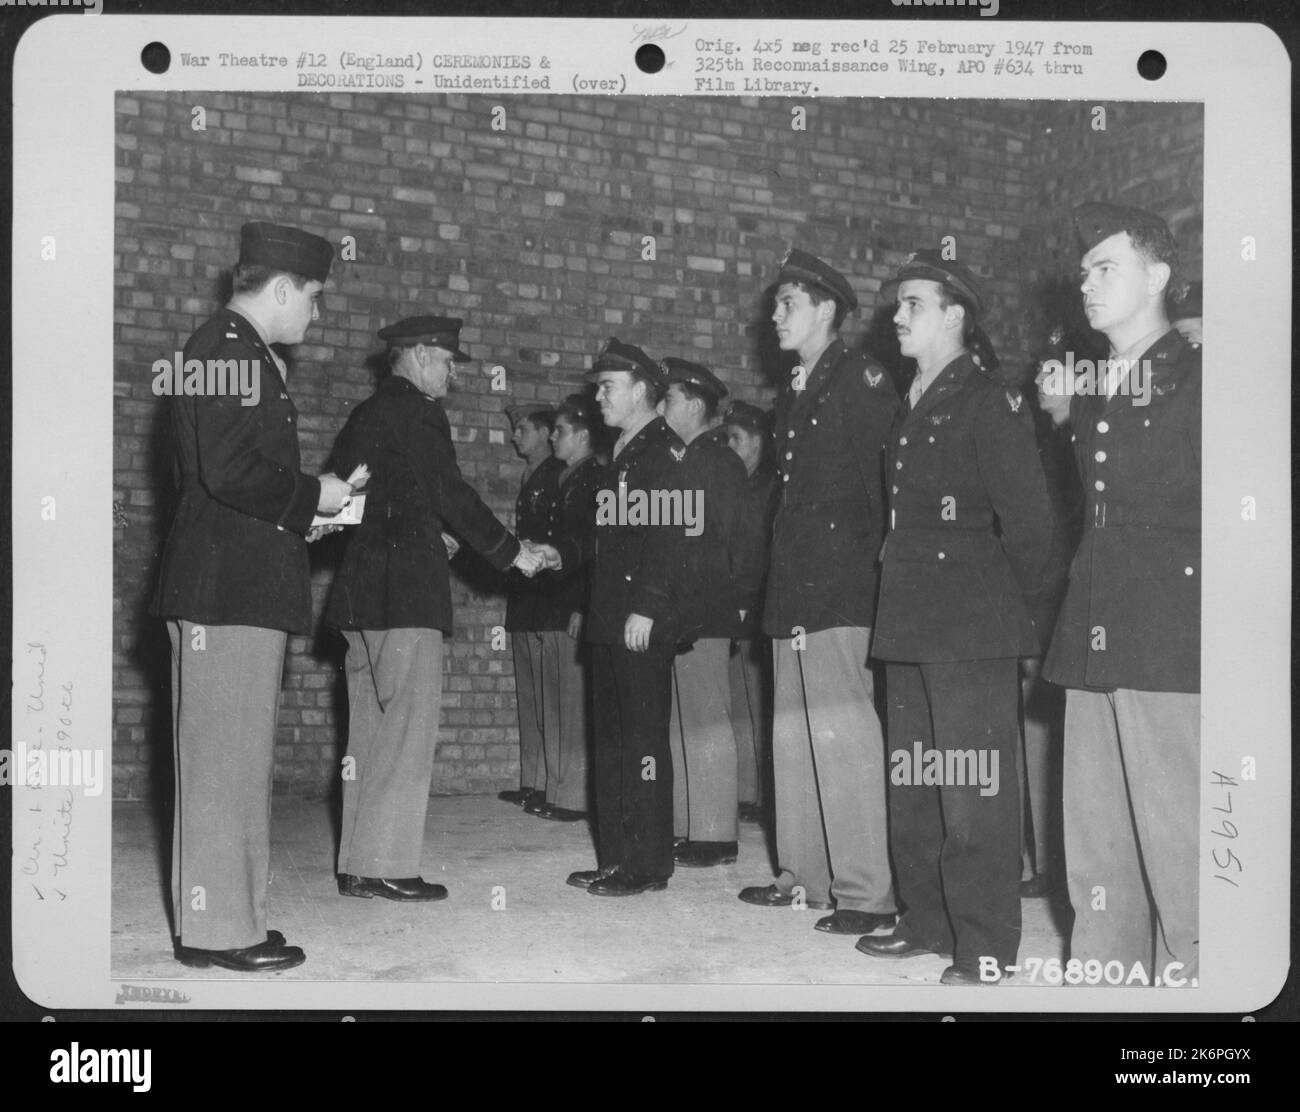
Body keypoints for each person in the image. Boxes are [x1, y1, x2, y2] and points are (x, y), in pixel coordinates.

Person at [152, 221, 354, 971]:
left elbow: (219, 482)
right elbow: (230, 472)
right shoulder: (228, 351)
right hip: (226, 594)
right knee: (224, 766)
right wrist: (316, 493)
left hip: (230, 578)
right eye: (314, 297)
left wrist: (299, 521)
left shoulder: (229, 352)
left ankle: (217, 922)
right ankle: (220, 930)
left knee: (222, 764)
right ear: (280, 289)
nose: (316, 313)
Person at [858, 250, 1059, 985]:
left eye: (912, 303)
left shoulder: (989, 401)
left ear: (955, 316)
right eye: (898, 304)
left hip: (970, 626)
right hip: (909, 617)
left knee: (974, 790)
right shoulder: (910, 399)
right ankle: (926, 919)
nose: (897, 316)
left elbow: (1032, 527)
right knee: (913, 780)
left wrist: (1029, 627)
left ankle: (984, 945)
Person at [326, 316, 546, 902]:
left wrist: (426, 532)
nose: (451, 373)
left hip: (358, 595)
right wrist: (509, 553)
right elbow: (450, 490)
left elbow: (355, 497)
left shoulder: (366, 412)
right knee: (406, 729)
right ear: (421, 355)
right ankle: (389, 864)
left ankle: (356, 863)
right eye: (448, 361)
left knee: (367, 733)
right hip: (405, 595)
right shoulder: (419, 412)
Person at [1043, 202, 1201, 982]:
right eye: (1083, 273)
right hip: (1093, 621)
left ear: (1159, 275)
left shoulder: (1200, 376)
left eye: (1107, 268)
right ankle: (1104, 984)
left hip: (1169, 629)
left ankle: (1199, 998)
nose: (1088, 284)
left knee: (1179, 838)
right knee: (1096, 837)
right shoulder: (1098, 388)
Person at [738, 249, 899, 937]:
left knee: (843, 734)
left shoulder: (859, 379)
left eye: (787, 305)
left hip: (839, 584)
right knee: (793, 734)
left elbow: (889, 483)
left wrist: (879, 576)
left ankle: (865, 891)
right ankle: (800, 876)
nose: (774, 316)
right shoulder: (801, 387)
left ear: (827, 310)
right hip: (796, 585)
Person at [565, 339, 695, 897]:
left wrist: (647, 607)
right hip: (610, 618)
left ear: (641, 391)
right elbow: (611, 541)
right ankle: (616, 859)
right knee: (612, 739)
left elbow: (670, 540)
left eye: (608, 387)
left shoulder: (663, 453)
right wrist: (560, 558)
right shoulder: (623, 450)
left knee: (641, 743)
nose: (598, 397)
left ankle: (646, 865)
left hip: (638, 620)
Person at [660, 359, 765, 868]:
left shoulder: (718, 463)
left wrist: (736, 600)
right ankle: (688, 825)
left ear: (696, 407)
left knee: (706, 719)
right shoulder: (684, 460)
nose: (662, 408)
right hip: (681, 608)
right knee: (684, 719)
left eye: (670, 400)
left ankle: (716, 834)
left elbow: (742, 541)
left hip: (707, 609)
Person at [530, 394, 605, 821]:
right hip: (555, 601)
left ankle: (573, 796)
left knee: (572, 705)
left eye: (559, 430)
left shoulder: (593, 479)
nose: (552, 437)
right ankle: (558, 788)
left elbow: (592, 551)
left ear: (581, 435)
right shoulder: (567, 477)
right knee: (558, 702)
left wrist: (583, 605)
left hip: (573, 605)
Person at [498, 403, 564, 815]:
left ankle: (550, 785)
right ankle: (532, 780)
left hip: (548, 597)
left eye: (523, 428)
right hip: (526, 597)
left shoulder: (558, 475)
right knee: (530, 695)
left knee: (549, 696)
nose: (515, 436)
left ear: (543, 432)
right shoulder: (533, 475)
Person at [723, 400, 778, 826]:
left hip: (756, 605)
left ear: (758, 441)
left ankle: (764, 796)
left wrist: (746, 601)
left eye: (736, 439)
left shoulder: (769, 488)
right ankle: (746, 791)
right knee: (740, 702)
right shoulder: (737, 485)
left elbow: (758, 555)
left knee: (759, 705)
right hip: (734, 604)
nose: (729, 446)